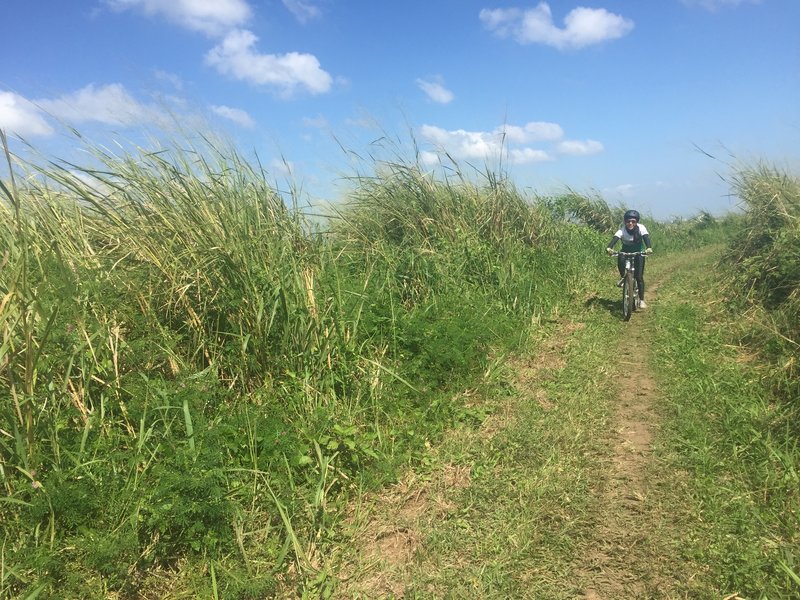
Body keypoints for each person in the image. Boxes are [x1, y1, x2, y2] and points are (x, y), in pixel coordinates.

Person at [605, 209, 653, 308]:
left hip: (638, 253)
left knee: (639, 277)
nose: (630, 223)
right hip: (625, 253)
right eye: (628, 221)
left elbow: (646, 238)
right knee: (620, 257)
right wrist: (609, 248)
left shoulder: (641, 228)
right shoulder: (622, 230)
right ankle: (623, 277)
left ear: (637, 222)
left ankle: (642, 300)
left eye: (633, 221)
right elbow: (614, 239)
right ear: (625, 222)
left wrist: (648, 247)